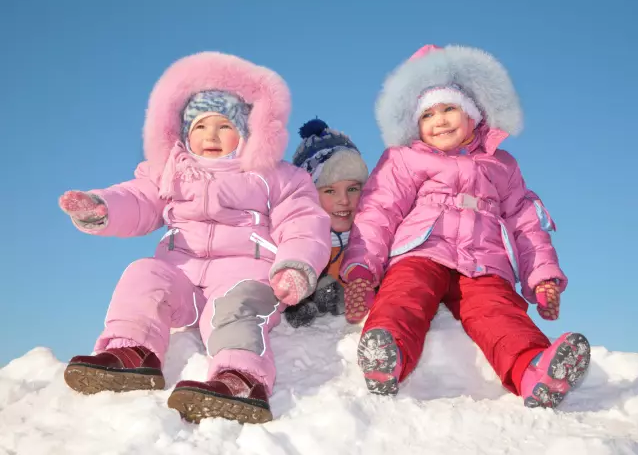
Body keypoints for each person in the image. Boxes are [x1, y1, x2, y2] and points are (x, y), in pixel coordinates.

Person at [58, 52, 331, 424]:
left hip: (244, 275)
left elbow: (301, 221)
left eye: (223, 126)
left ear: (248, 131)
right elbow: (138, 200)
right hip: (182, 276)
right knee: (143, 274)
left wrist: (295, 265)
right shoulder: (169, 171)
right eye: (200, 127)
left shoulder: (274, 176)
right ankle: (132, 352)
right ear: (185, 133)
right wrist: (101, 207)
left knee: (238, 307)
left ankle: (240, 378)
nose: (211, 136)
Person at [341, 44, 590, 409]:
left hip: (484, 262)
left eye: (449, 108)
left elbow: (525, 223)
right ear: (414, 123)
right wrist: (363, 266)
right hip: (422, 250)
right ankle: (387, 354)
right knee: (405, 294)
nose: (439, 120)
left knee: (499, 313)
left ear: (473, 114)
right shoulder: (405, 159)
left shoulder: (500, 164)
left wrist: (542, 277)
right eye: (427, 114)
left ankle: (533, 369)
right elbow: (379, 210)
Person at [284, 118, 369, 327]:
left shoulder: (372, 240)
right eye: (330, 190)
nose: (344, 200)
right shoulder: (296, 241)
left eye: (353, 188)